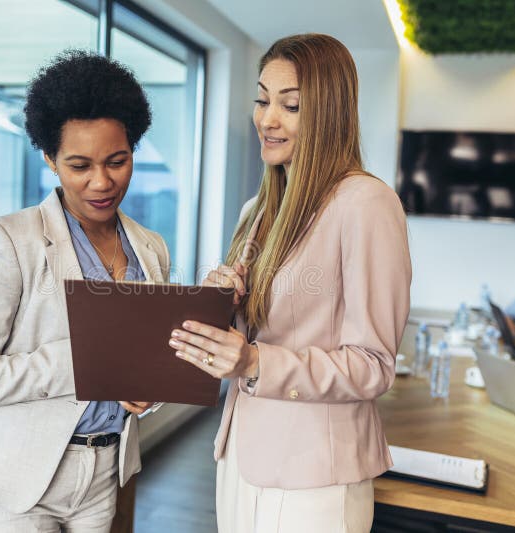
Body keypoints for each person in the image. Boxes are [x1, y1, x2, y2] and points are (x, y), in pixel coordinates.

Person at [168, 34, 411, 532]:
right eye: (261, 100)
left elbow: (373, 367)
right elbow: (252, 333)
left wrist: (256, 361)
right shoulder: (256, 212)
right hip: (240, 457)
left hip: (316, 476)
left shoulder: (365, 203)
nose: (267, 119)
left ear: (330, 113)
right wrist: (225, 301)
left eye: (290, 105)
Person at [0, 50, 169, 532]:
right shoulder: (8, 241)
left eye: (117, 161)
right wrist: (81, 361)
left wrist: (149, 391)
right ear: (49, 159)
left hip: (101, 478)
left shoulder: (150, 247)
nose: (101, 182)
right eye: (79, 165)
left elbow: (146, 362)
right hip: (10, 486)